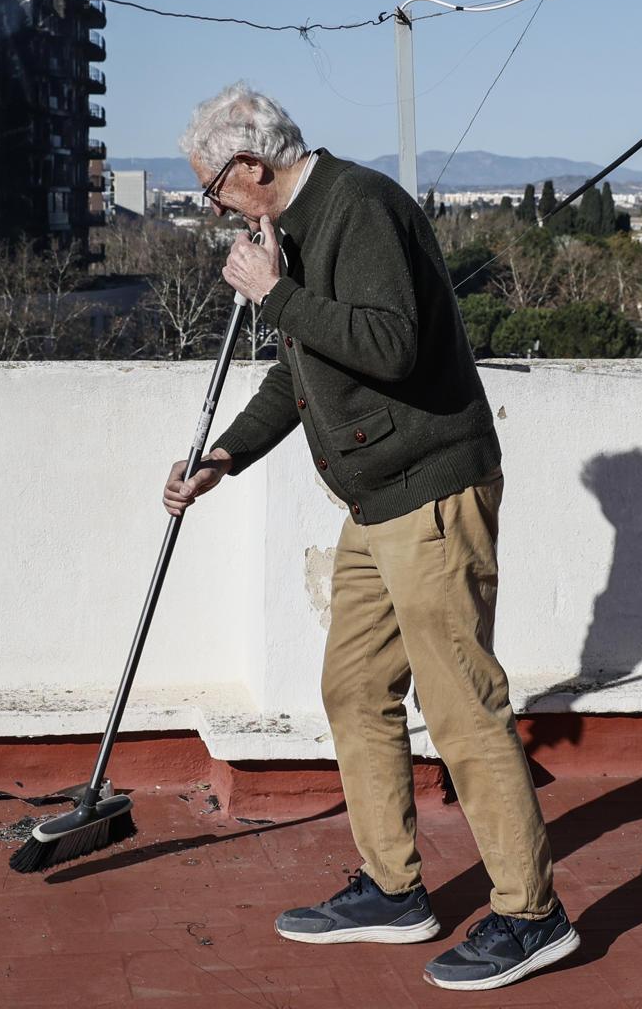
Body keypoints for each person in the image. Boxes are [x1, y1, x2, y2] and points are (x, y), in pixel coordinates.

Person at [161, 83, 577, 993]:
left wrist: (276, 294)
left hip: (431, 492)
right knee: (352, 686)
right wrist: (224, 458)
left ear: (253, 166)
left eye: (213, 189)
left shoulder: (363, 209)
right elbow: (301, 377)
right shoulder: (297, 233)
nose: (216, 208)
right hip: (375, 503)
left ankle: (532, 916)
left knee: (463, 705)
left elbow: (390, 346)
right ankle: (394, 890)